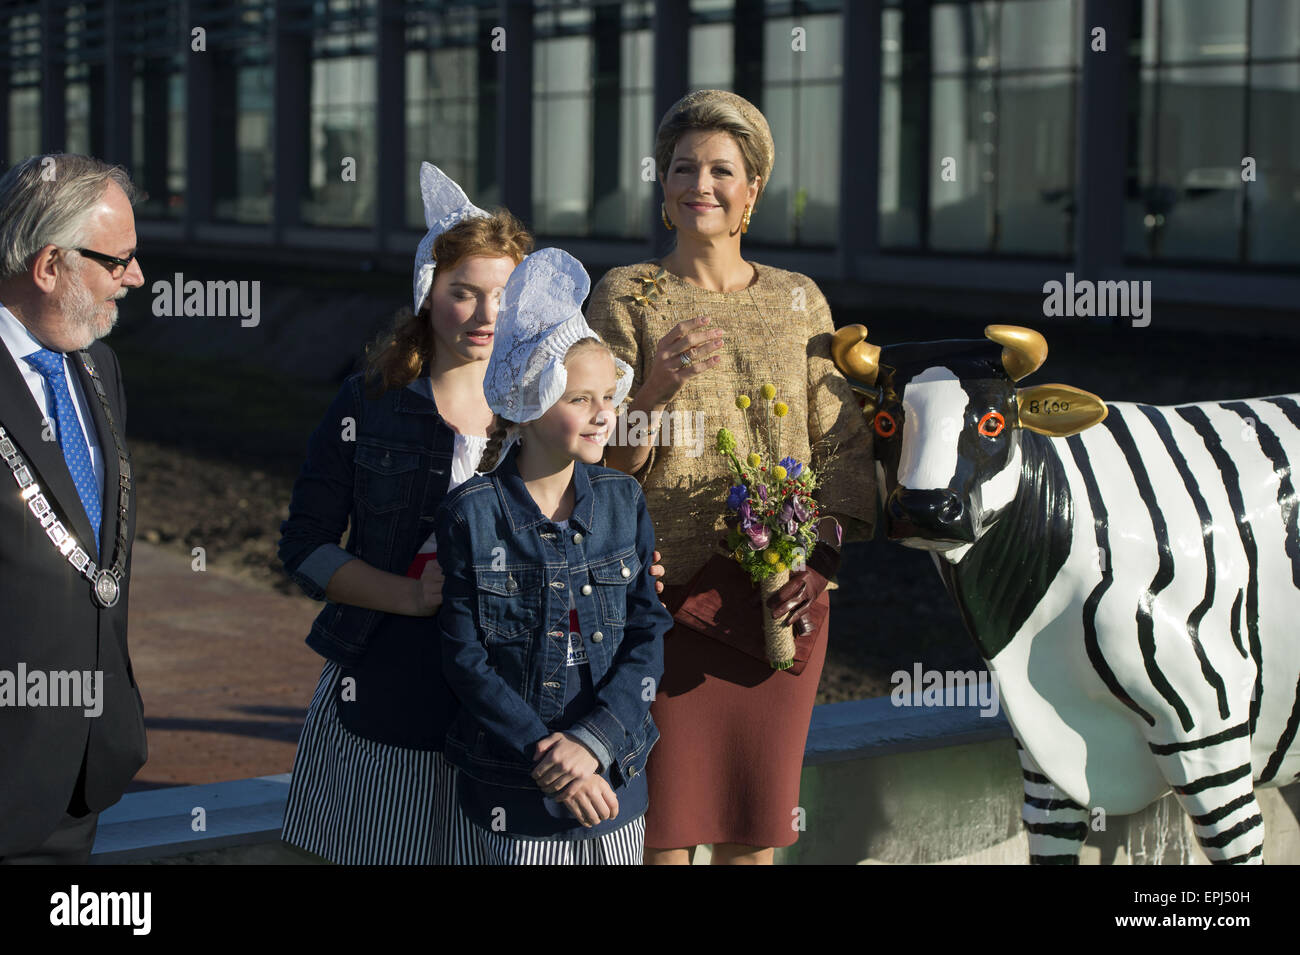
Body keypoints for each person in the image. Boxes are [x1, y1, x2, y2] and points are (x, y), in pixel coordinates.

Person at [277, 165, 665, 864]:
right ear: (429, 293)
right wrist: (408, 594)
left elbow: (603, 550)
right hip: (393, 689)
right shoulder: (370, 404)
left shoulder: (550, 413)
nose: (488, 315)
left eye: (505, 295)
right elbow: (303, 545)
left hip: (515, 714)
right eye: (465, 293)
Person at [585, 90, 878, 865]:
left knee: (757, 828)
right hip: (661, 601)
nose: (701, 185)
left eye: (722, 170)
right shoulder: (628, 295)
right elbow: (596, 460)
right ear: (663, 185)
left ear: (753, 190)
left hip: (782, 601)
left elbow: (843, 449)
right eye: (684, 168)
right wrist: (650, 394)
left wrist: (815, 563)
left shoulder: (796, 299)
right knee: (665, 829)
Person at [433, 246, 673, 864]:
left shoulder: (624, 501)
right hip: (511, 793)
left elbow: (647, 634)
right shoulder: (472, 513)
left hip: (614, 785)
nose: (604, 416)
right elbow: (465, 660)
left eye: (608, 397)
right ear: (531, 404)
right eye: (580, 400)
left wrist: (593, 743)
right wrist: (553, 758)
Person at [0, 154, 148, 863]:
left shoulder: (98, 366)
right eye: (118, 260)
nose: (137, 278)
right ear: (49, 264)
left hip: (84, 773)